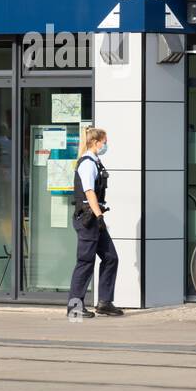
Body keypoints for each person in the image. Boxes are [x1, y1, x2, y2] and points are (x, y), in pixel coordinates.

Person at [67, 126, 122, 319]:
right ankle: (75, 307)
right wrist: (99, 217)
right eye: (104, 141)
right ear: (95, 142)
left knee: (111, 258)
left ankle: (105, 303)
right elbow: (89, 192)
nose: (106, 144)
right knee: (85, 262)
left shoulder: (95, 162)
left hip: (94, 219)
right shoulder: (87, 163)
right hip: (88, 219)